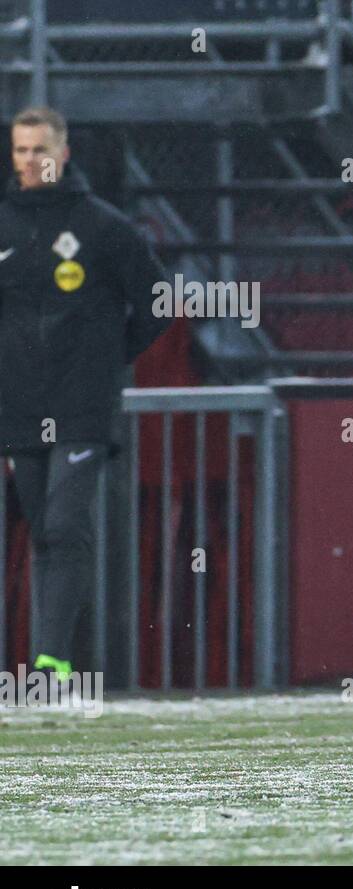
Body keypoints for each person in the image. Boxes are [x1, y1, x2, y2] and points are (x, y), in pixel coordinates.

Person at [0, 106, 170, 679]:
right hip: (19, 406)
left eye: (40, 150)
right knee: (40, 526)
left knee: (62, 523)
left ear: (63, 153)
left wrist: (107, 358)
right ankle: (48, 658)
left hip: (81, 405)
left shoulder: (103, 227)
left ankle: (51, 662)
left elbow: (158, 303)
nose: (30, 161)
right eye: (22, 150)